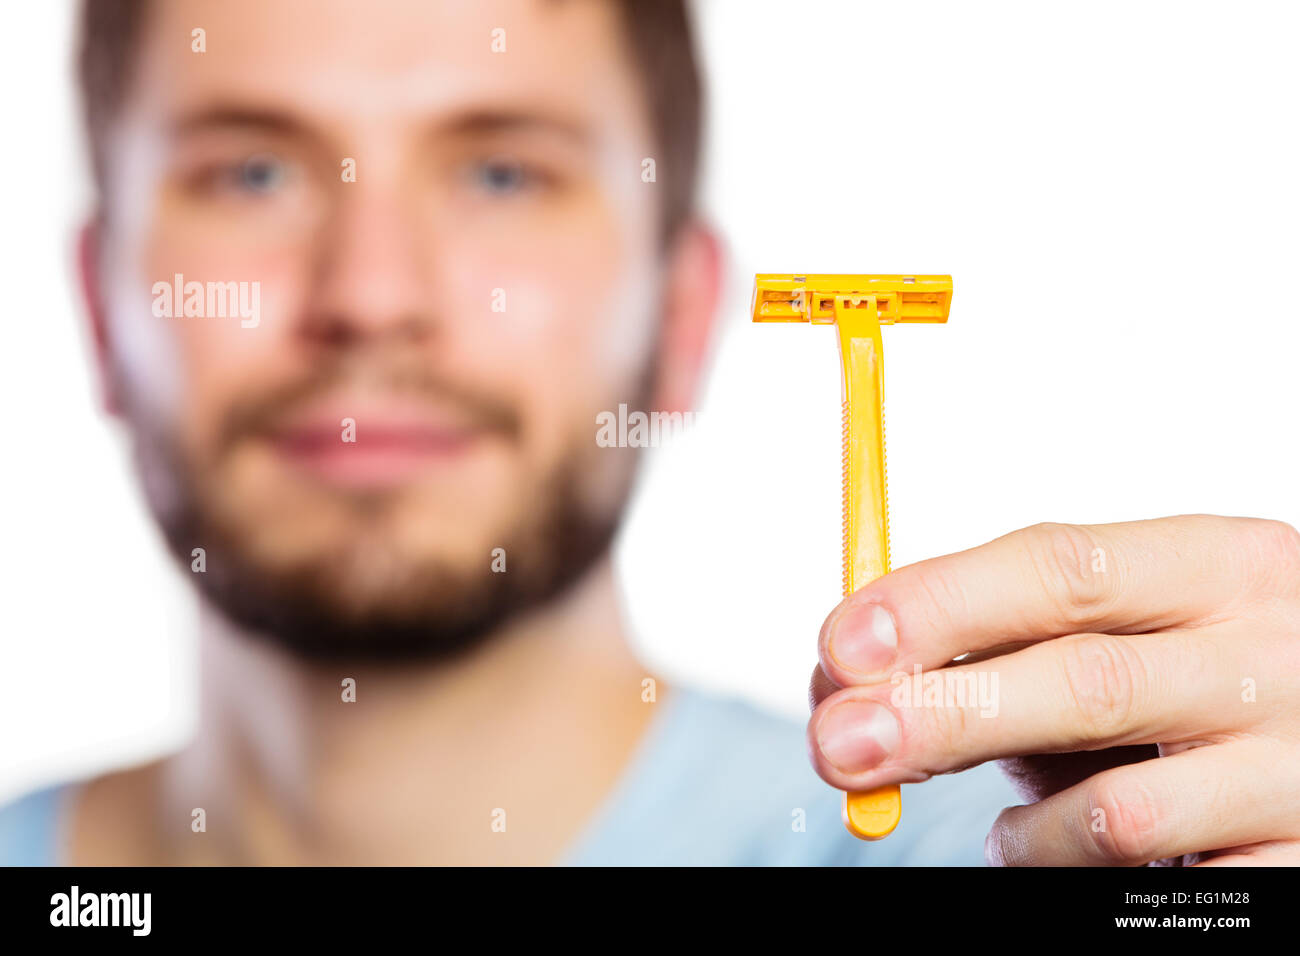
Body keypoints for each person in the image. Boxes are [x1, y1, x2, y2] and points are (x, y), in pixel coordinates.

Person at [3, 0, 1298, 867]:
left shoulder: (1065, 860)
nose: (372, 295)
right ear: (103, 312)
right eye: (253, 171)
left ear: (683, 316)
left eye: (502, 171)